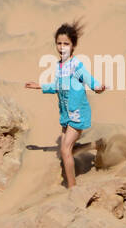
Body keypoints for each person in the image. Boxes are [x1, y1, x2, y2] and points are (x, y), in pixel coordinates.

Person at [24, 19, 105, 188]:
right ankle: (97, 145)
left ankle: (72, 188)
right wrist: (39, 85)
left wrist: (98, 87)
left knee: (65, 150)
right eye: (59, 43)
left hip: (77, 114)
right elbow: (58, 86)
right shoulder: (60, 65)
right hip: (65, 114)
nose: (62, 47)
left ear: (73, 46)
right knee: (67, 151)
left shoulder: (76, 66)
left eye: (66, 44)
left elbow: (91, 81)